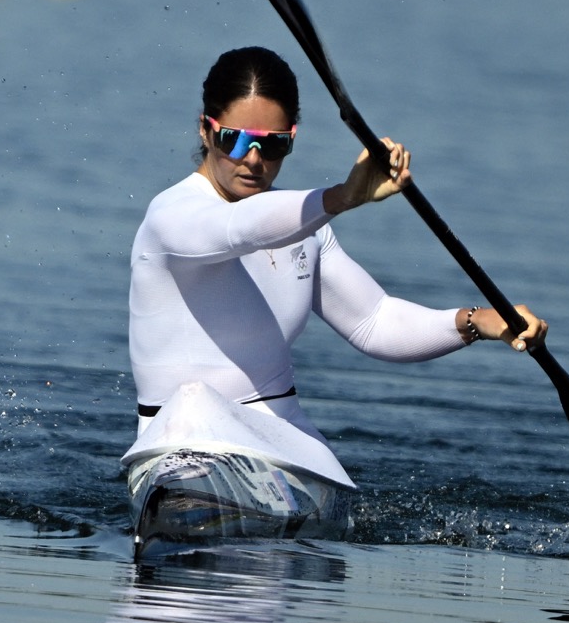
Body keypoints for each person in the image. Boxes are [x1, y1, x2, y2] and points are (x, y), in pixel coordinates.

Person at [128, 46, 546, 446]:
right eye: (236, 139)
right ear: (205, 129)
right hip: (175, 437)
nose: (254, 159)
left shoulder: (308, 229)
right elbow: (238, 229)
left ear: (292, 139)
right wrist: (343, 197)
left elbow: (374, 322)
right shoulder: (171, 218)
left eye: (273, 144)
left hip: (283, 435)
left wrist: (478, 322)